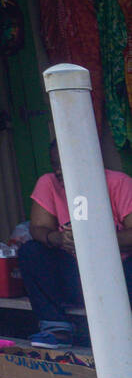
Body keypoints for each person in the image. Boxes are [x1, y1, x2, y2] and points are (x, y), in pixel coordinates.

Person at [19, 142, 132, 348]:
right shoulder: (49, 183)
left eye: (65, 164)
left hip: (117, 277)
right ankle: (56, 328)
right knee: (30, 252)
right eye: (55, 164)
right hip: (74, 276)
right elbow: (38, 228)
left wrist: (95, 240)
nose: (59, 171)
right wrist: (57, 238)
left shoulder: (119, 183)